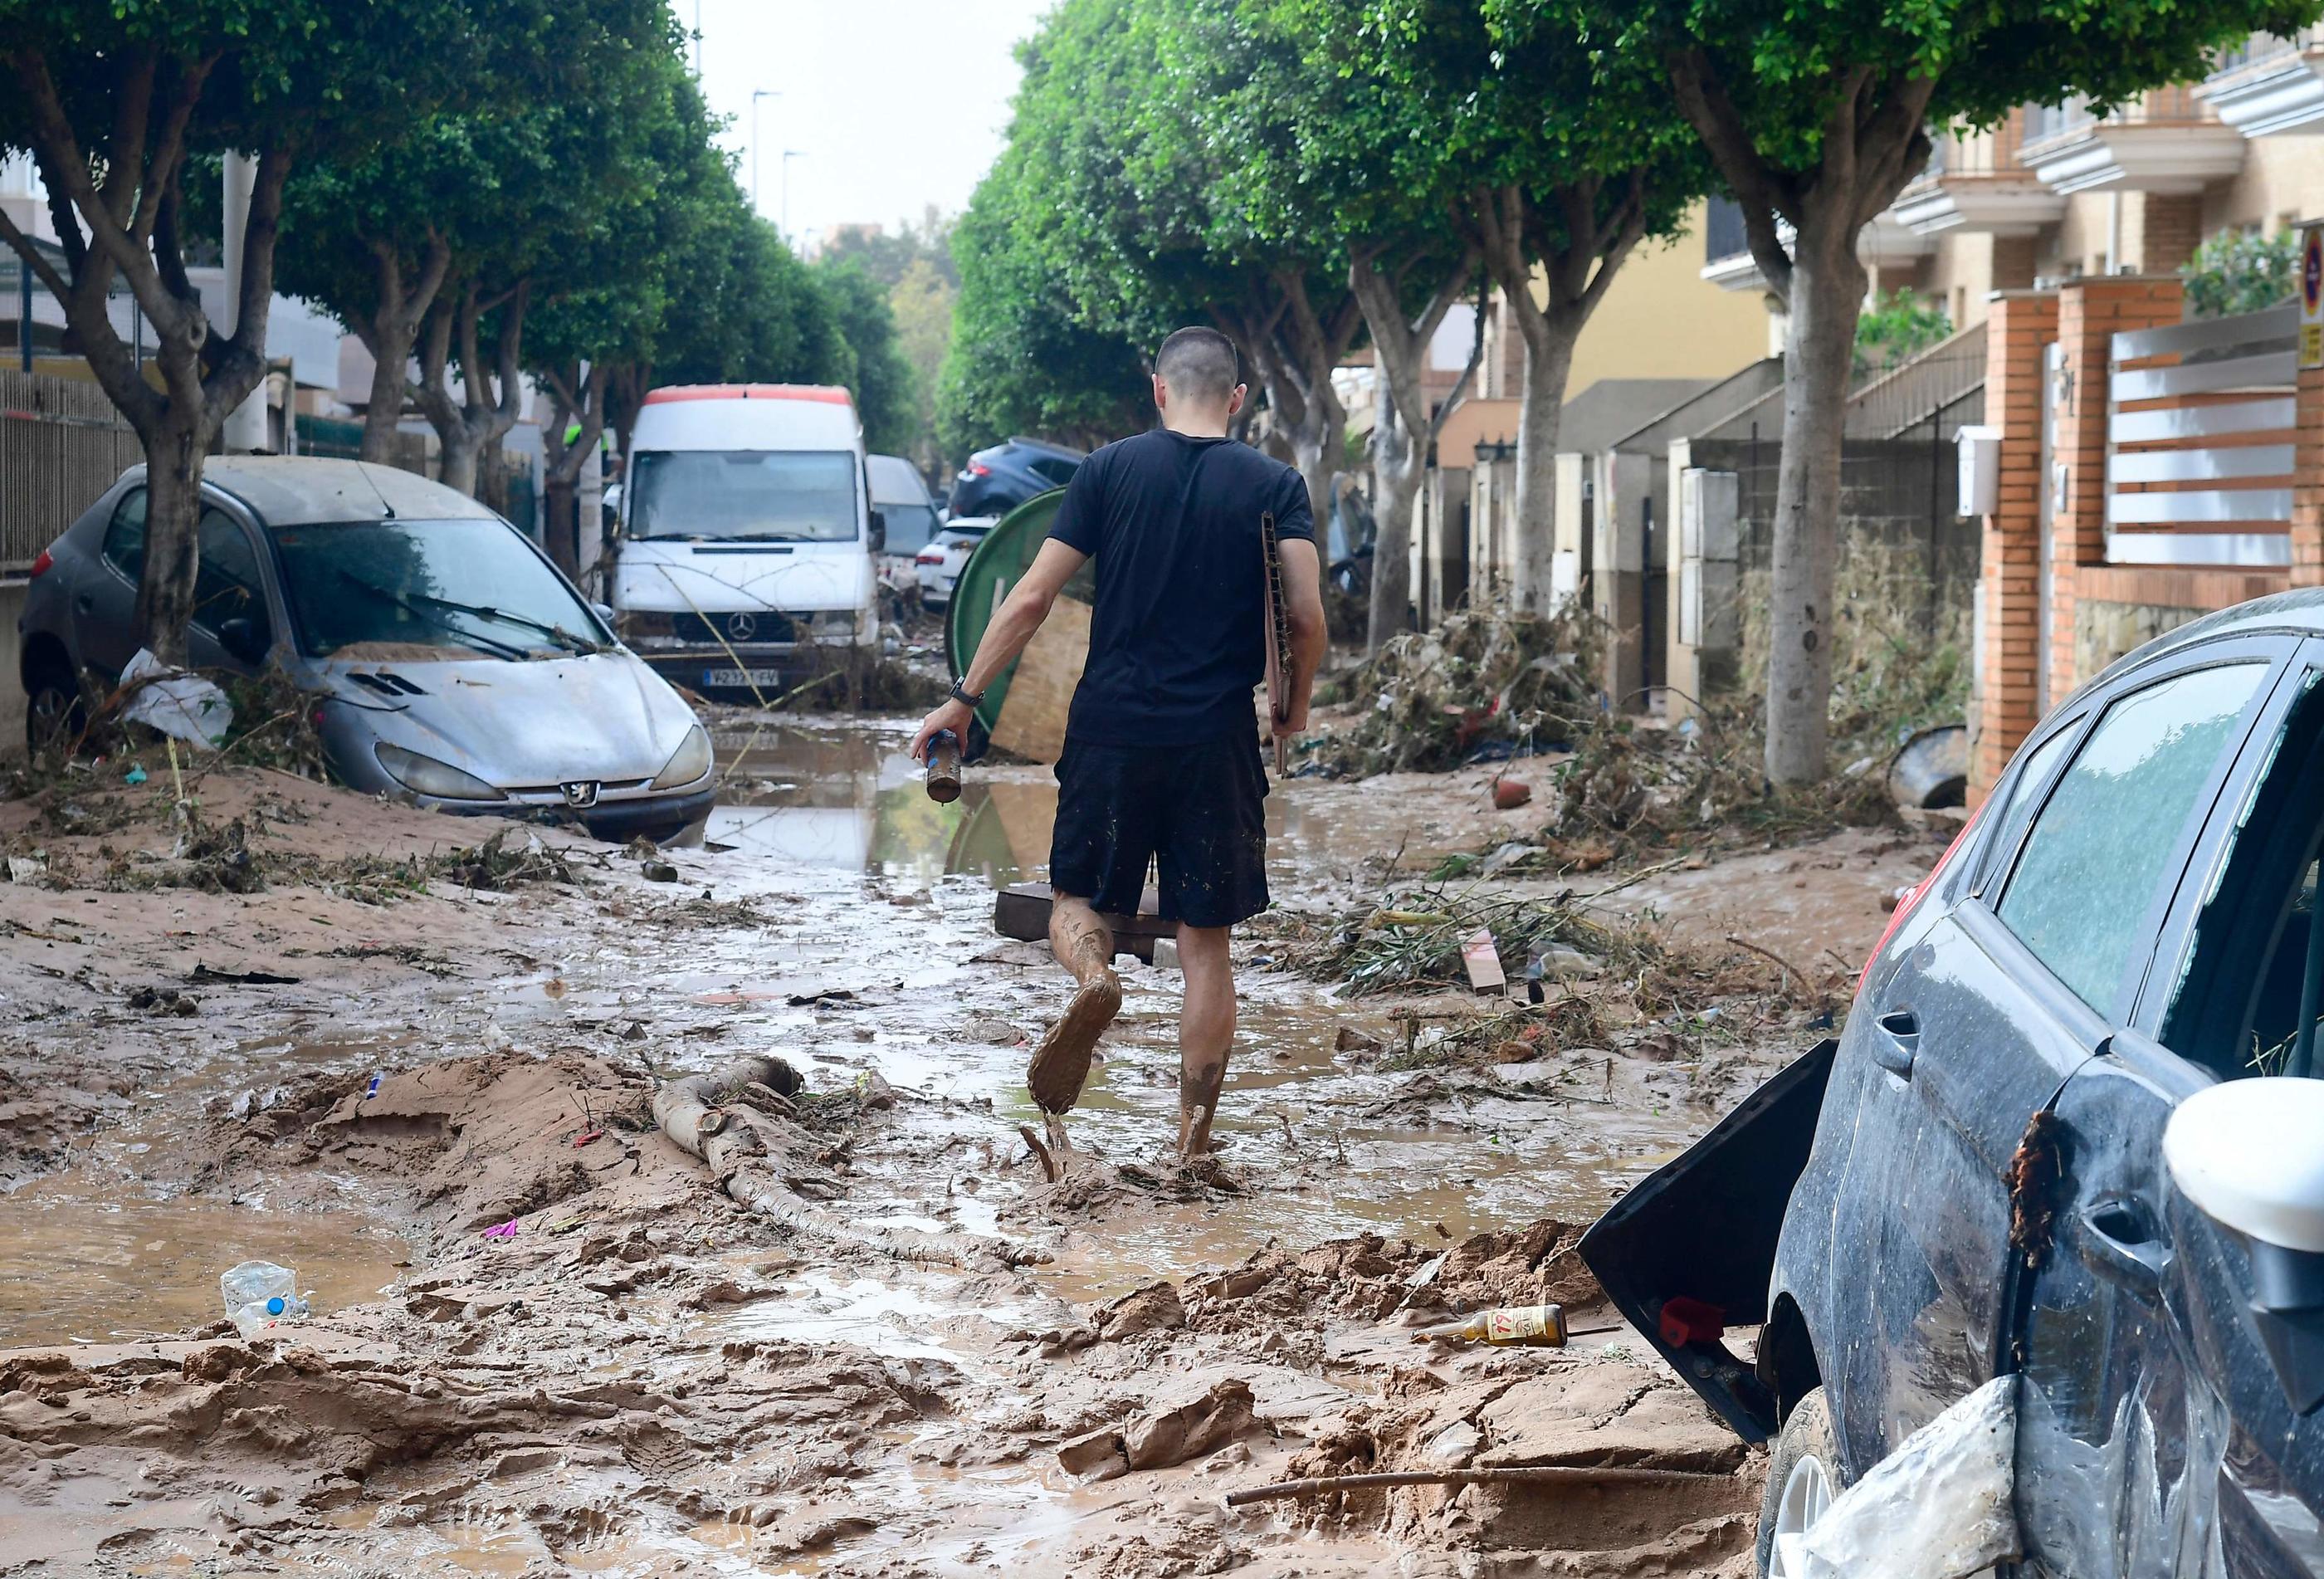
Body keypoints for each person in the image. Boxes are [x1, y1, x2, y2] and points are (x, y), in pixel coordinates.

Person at [909, 327, 1327, 1161]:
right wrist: (1294, 708)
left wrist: (963, 700)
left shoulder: (1107, 471)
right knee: (1205, 942)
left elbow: (1030, 598)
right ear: (1238, 399)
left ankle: (1095, 979)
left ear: (1158, 390)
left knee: (1075, 902)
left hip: (1111, 730)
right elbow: (1308, 619)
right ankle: (1192, 1142)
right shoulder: (1275, 484)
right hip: (1214, 739)